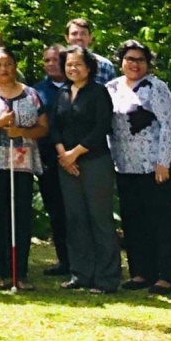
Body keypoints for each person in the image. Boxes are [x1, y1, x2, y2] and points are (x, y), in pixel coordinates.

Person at [108, 40, 171, 294]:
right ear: (121, 61)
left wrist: (164, 162)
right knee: (133, 221)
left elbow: (170, 125)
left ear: (148, 63)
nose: (134, 64)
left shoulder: (156, 87)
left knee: (162, 221)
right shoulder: (112, 88)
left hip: (155, 166)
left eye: (140, 60)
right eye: (130, 59)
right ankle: (141, 272)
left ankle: (168, 276)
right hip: (124, 165)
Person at [0, 48, 47, 290]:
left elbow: (43, 127)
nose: (4, 69)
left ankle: (19, 272)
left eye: (9, 64)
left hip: (21, 164)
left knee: (20, 217)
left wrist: (21, 131)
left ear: (15, 66)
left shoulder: (31, 94)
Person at [51, 45, 121, 293]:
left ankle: (107, 278)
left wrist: (75, 153)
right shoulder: (61, 93)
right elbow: (54, 126)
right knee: (75, 219)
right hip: (66, 164)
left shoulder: (99, 92)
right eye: (69, 64)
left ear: (89, 67)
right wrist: (64, 155)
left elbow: (101, 127)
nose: (73, 68)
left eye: (78, 64)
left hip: (94, 162)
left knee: (99, 219)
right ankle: (80, 274)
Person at [31, 44, 71, 276]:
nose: (51, 64)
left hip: (77, 157)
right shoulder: (36, 91)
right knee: (56, 211)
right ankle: (64, 260)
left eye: (56, 59)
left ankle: (84, 260)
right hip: (48, 158)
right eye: (46, 60)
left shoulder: (78, 86)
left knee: (78, 212)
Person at [66, 18, 116, 84]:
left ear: (90, 38)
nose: (79, 37)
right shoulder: (58, 64)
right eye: (74, 34)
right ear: (67, 38)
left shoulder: (105, 65)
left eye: (83, 33)